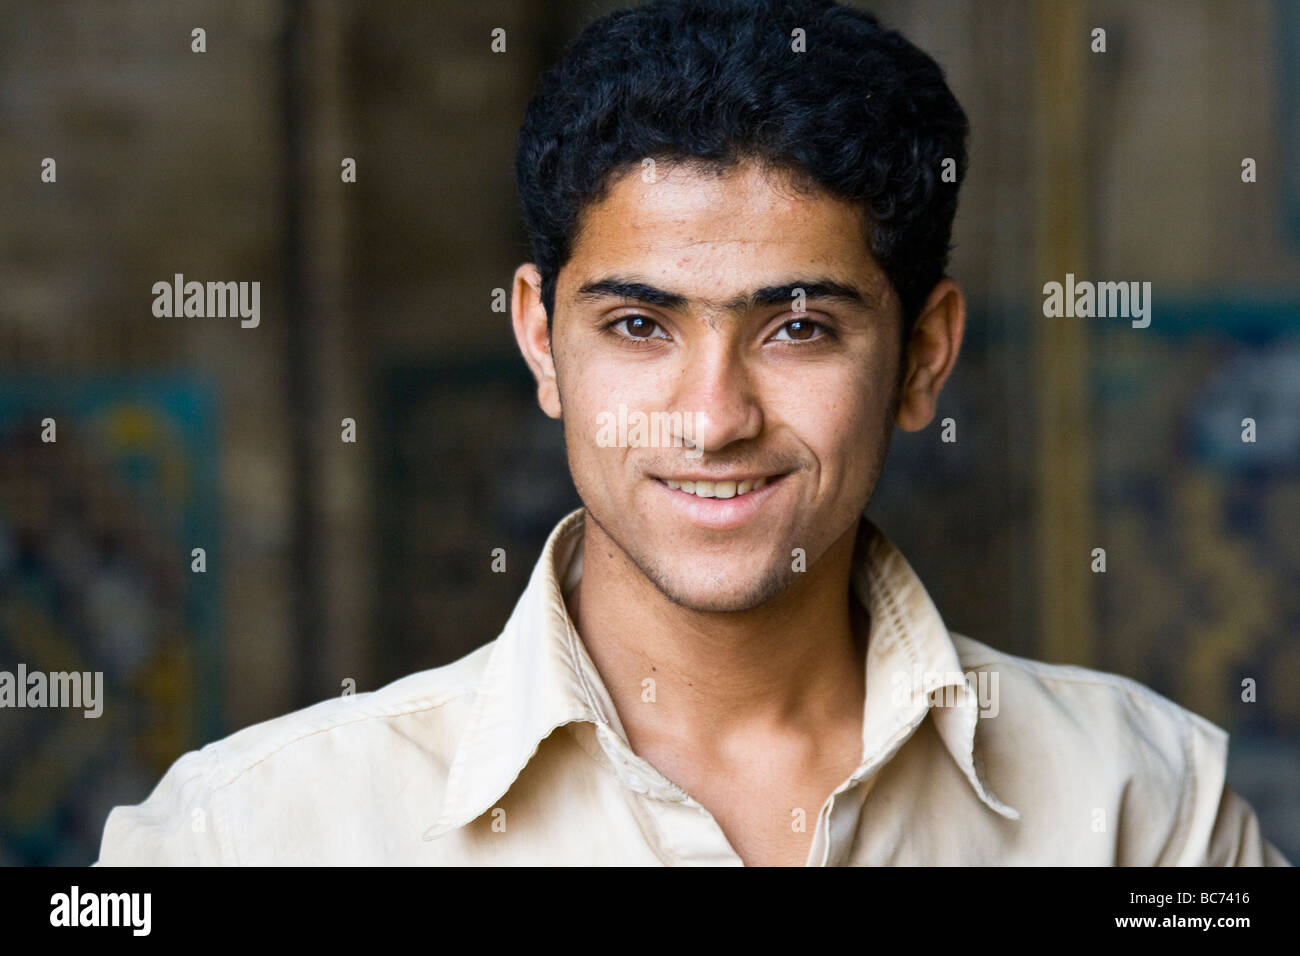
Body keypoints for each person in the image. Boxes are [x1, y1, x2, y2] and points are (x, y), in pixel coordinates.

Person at [96, 0, 1288, 866]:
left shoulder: (1144, 808)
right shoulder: (247, 832)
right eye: (636, 324)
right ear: (537, 338)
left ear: (923, 355)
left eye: (800, 327)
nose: (712, 418)